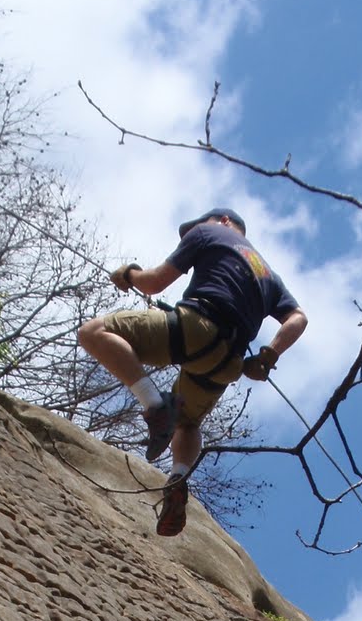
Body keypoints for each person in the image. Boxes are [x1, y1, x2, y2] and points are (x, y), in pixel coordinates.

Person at [77, 208, 307, 536]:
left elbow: (154, 283)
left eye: (197, 225)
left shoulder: (211, 233)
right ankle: (178, 477)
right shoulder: (267, 274)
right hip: (227, 362)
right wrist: (268, 356)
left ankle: (154, 405)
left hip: (195, 327)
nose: (191, 232)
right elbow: (298, 318)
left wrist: (129, 274)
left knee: (93, 332)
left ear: (225, 221)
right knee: (187, 423)